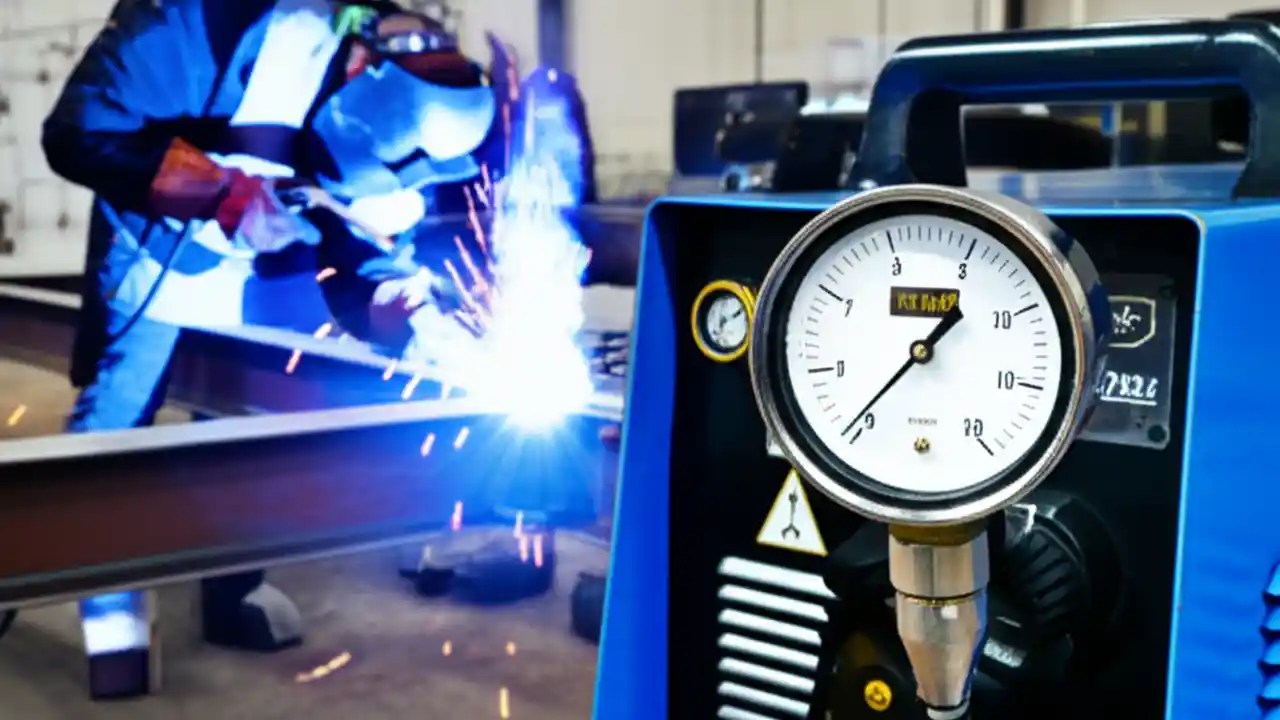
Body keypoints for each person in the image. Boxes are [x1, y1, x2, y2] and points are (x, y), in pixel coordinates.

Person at [37, 0, 497, 699]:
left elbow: (343, 214)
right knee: (111, 434)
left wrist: (398, 301)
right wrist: (215, 189)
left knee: (241, 434)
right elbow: (76, 131)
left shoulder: (353, 32)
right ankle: (109, 609)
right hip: (155, 257)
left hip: (256, 265)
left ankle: (231, 591)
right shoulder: (180, 20)